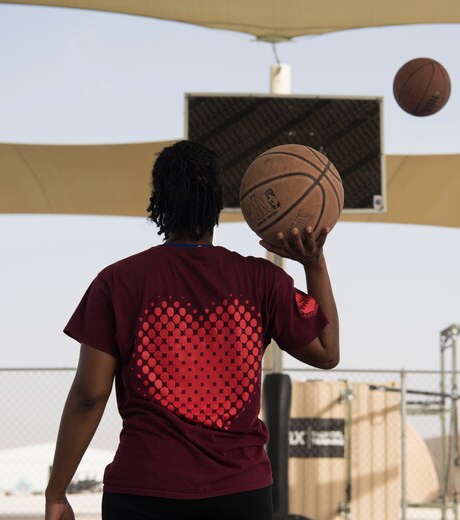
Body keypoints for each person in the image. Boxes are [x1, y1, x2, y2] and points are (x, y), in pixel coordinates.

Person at [45, 140, 340, 520]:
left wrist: (57, 492)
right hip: (240, 493)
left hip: (145, 489)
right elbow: (328, 352)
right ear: (218, 202)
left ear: (158, 202)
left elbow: (90, 394)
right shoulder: (263, 281)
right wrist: (314, 265)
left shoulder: (117, 281)